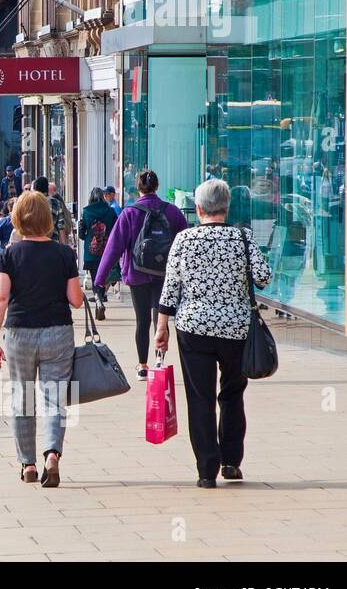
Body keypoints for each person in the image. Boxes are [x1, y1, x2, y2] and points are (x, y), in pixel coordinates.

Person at [154, 179, 271, 488]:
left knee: (200, 397)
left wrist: (161, 327)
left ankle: (207, 470)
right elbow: (263, 277)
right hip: (235, 328)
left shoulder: (183, 240)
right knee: (233, 393)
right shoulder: (242, 238)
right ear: (227, 207)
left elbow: (170, 289)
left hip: (193, 328)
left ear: (199, 208)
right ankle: (232, 462)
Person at [0, 190, 84, 487]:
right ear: (47, 219)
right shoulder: (64, 253)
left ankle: (27, 464)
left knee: (23, 398)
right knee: (55, 399)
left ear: (18, 218)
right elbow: (76, 301)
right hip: (58, 331)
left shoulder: (9, 255)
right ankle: (52, 454)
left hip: (20, 333)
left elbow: (1, 299)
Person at [94, 169, 189, 380]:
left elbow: (113, 248)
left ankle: (143, 365)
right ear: (157, 186)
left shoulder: (129, 213)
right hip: (166, 274)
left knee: (142, 321)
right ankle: (159, 360)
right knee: (160, 318)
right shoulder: (172, 211)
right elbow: (185, 243)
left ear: (138, 188)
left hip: (137, 275)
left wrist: (100, 279)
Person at [78, 187, 119, 320]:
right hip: (107, 250)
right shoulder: (110, 211)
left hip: (92, 251)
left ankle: (98, 300)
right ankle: (100, 299)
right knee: (103, 277)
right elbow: (115, 231)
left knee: (95, 277)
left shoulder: (86, 212)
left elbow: (81, 235)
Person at [30, 176, 67, 245]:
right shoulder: (56, 203)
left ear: (35, 188)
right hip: (52, 244)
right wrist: (64, 247)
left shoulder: (31, 202)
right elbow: (61, 227)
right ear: (47, 188)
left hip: (34, 244)